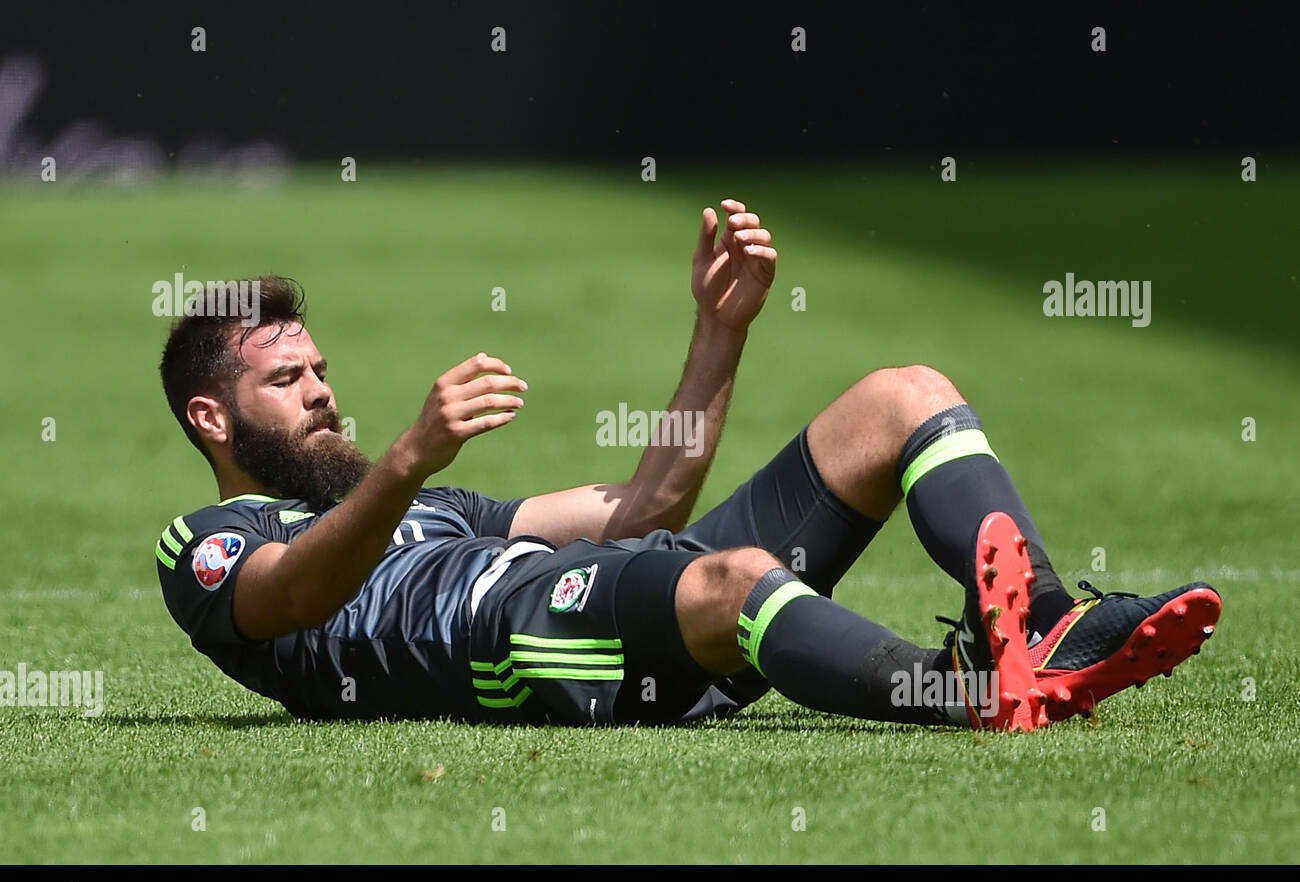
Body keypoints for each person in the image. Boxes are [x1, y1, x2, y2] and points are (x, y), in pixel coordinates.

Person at [154, 199, 1221, 731]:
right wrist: (404, 462)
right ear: (213, 418)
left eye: (322, 368)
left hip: (617, 593)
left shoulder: (435, 508)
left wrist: (720, 335)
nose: (324, 390)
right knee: (730, 576)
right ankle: (968, 691)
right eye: (288, 381)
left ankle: (1035, 618)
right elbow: (302, 589)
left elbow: (644, 502)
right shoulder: (205, 545)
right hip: (535, 649)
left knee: (903, 396)